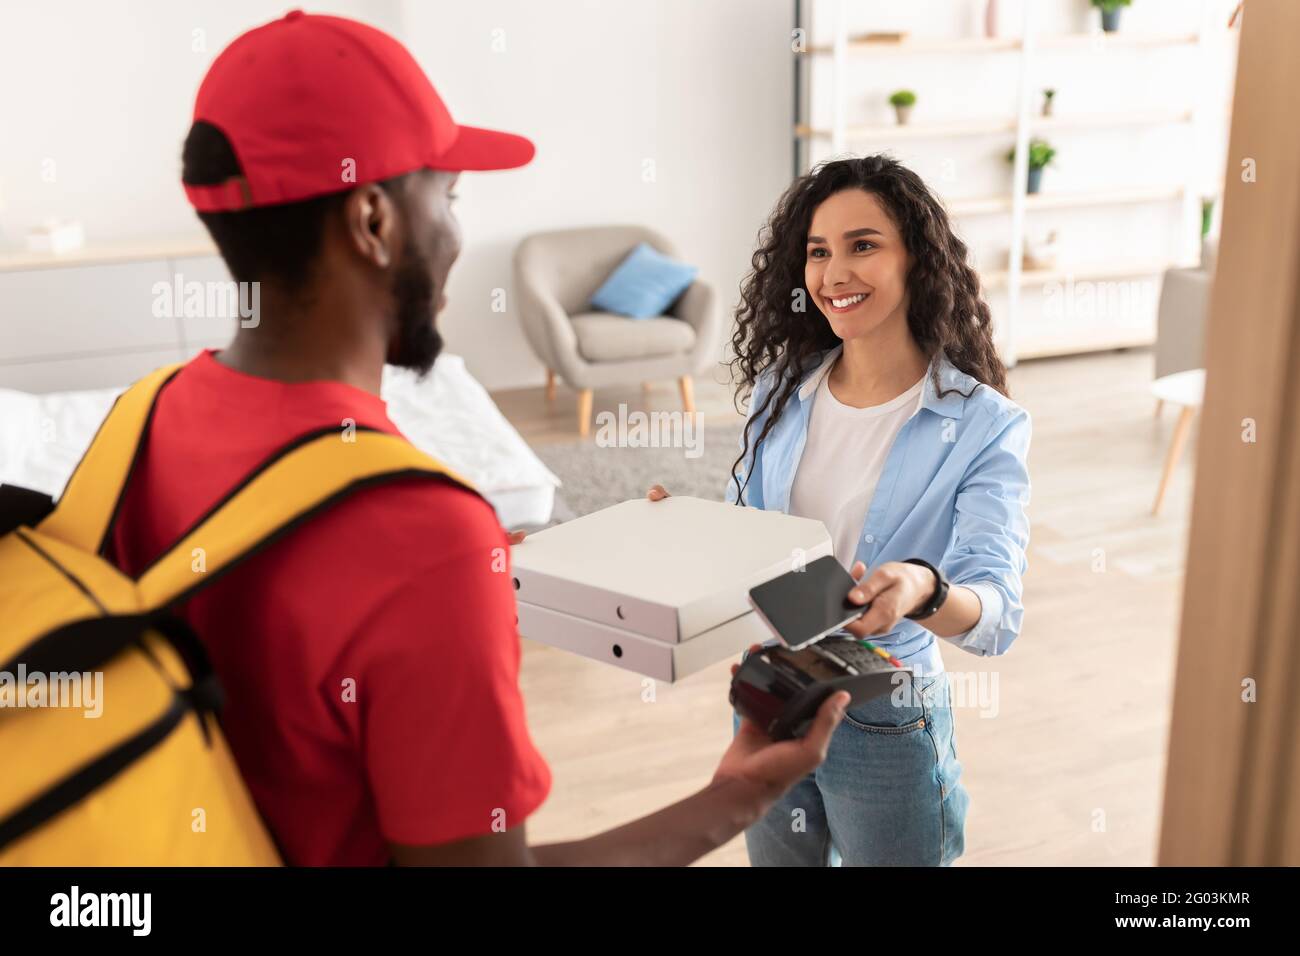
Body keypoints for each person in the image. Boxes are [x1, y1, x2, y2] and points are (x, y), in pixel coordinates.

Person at [107, 10, 847, 866]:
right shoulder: (422, 542)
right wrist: (742, 793)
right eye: (449, 197)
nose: (457, 235)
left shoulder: (142, 421)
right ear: (374, 222)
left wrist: (492, 565)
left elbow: (291, 611)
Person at [648, 154, 1032, 866]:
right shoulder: (783, 388)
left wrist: (923, 588)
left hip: (883, 713)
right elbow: (750, 536)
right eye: (818, 252)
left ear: (917, 258)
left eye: (863, 245)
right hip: (770, 689)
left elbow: (998, 613)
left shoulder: (985, 424)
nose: (833, 274)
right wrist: (686, 532)